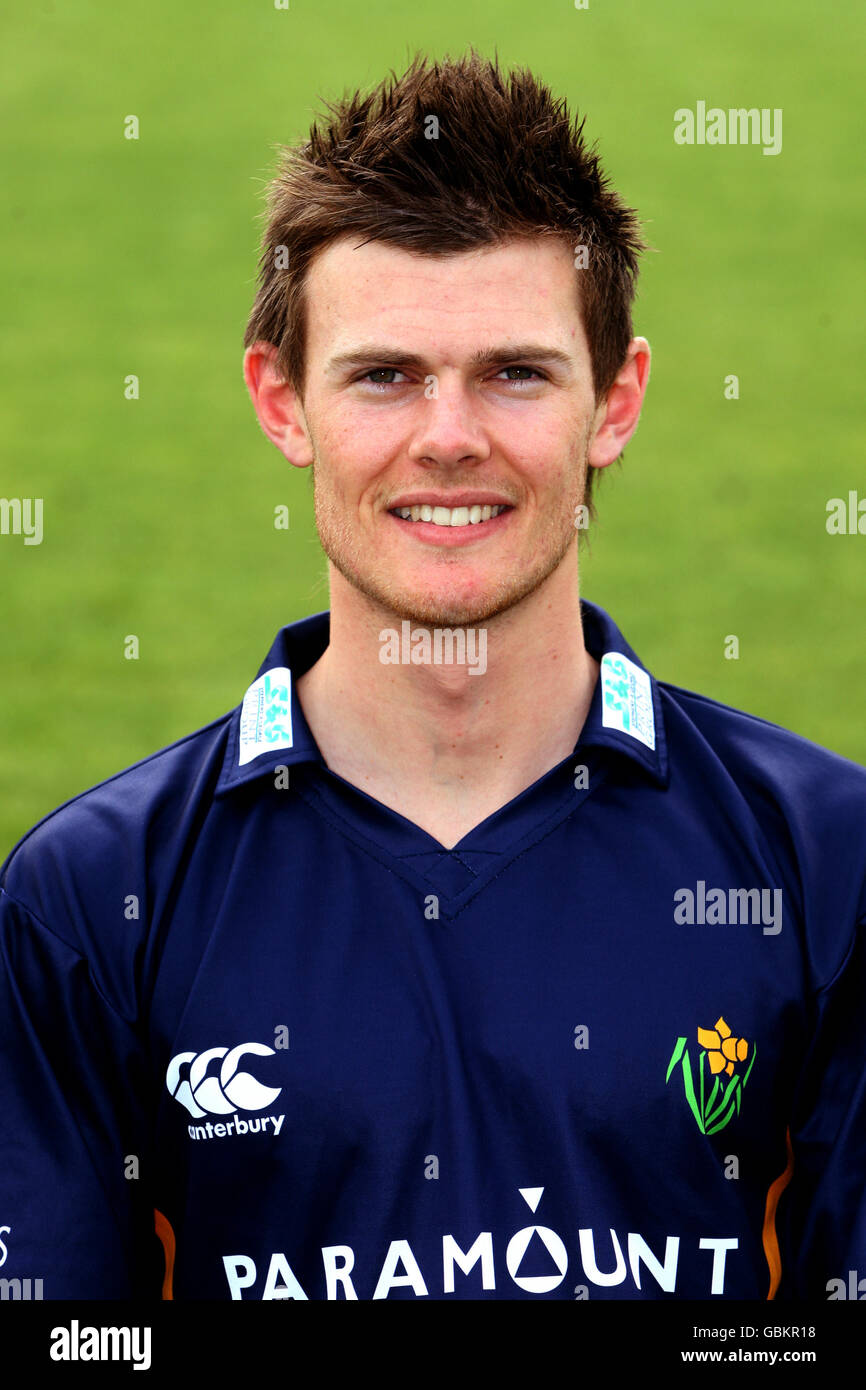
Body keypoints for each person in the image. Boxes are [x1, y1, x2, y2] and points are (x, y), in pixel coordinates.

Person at [0, 49, 863, 1303]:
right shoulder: (89, 900)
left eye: (515, 372)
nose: (447, 437)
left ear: (614, 402)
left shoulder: (824, 860)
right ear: (282, 400)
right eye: (383, 375)